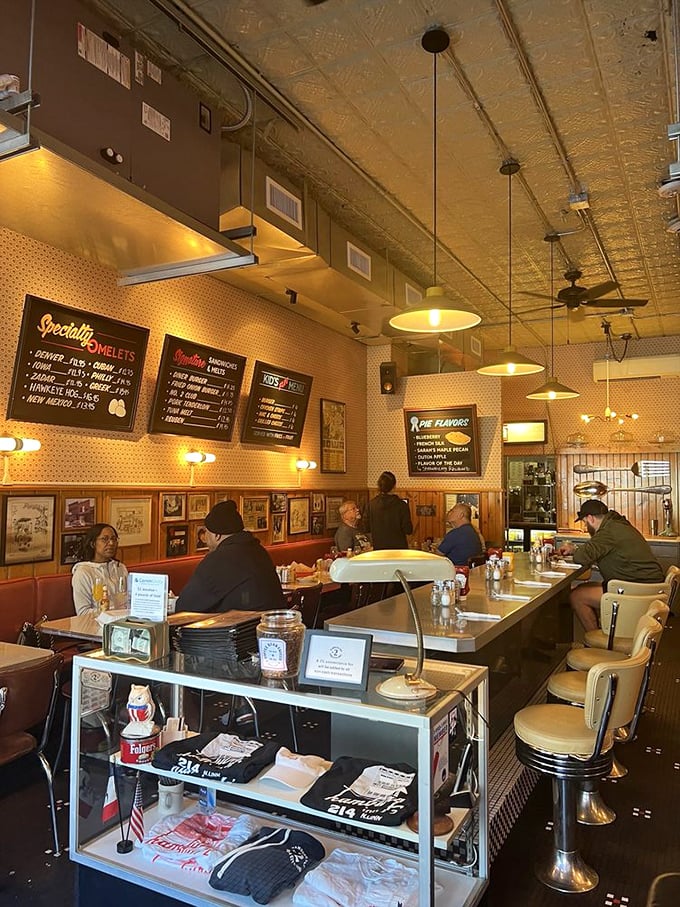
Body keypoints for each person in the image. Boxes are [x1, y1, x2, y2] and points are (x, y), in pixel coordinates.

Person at [558, 499, 665, 632]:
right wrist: (575, 548)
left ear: (590, 518)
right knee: (584, 588)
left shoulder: (607, 532)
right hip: (647, 585)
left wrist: (576, 551)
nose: (586, 527)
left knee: (577, 596)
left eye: (585, 523)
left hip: (638, 588)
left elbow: (581, 557)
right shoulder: (617, 525)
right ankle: (602, 633)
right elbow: (597, 551)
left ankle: (594, 642)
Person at [177, 499, 284, 613]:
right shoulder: (258, 550)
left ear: (216, 535)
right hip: (272, 624)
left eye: (206, 532)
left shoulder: (218, 560)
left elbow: (185, 605)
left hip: (244, 628)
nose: (205, 538)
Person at [71, 523, 129, 615]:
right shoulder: (83, 572)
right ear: (93, 543)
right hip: (95, 625)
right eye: (105, 539)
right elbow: (83, 612)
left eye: (114, 539)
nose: (111, 543)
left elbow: (128, 601)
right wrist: (111, 613)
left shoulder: (120, 568)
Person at [364, 471, 413, 550]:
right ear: (394, 486)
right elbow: (408, 530)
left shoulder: (371, 505)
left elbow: (366, 528)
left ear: (379, 486)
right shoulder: (402, 505)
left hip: (378, 548)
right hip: (398, 549)